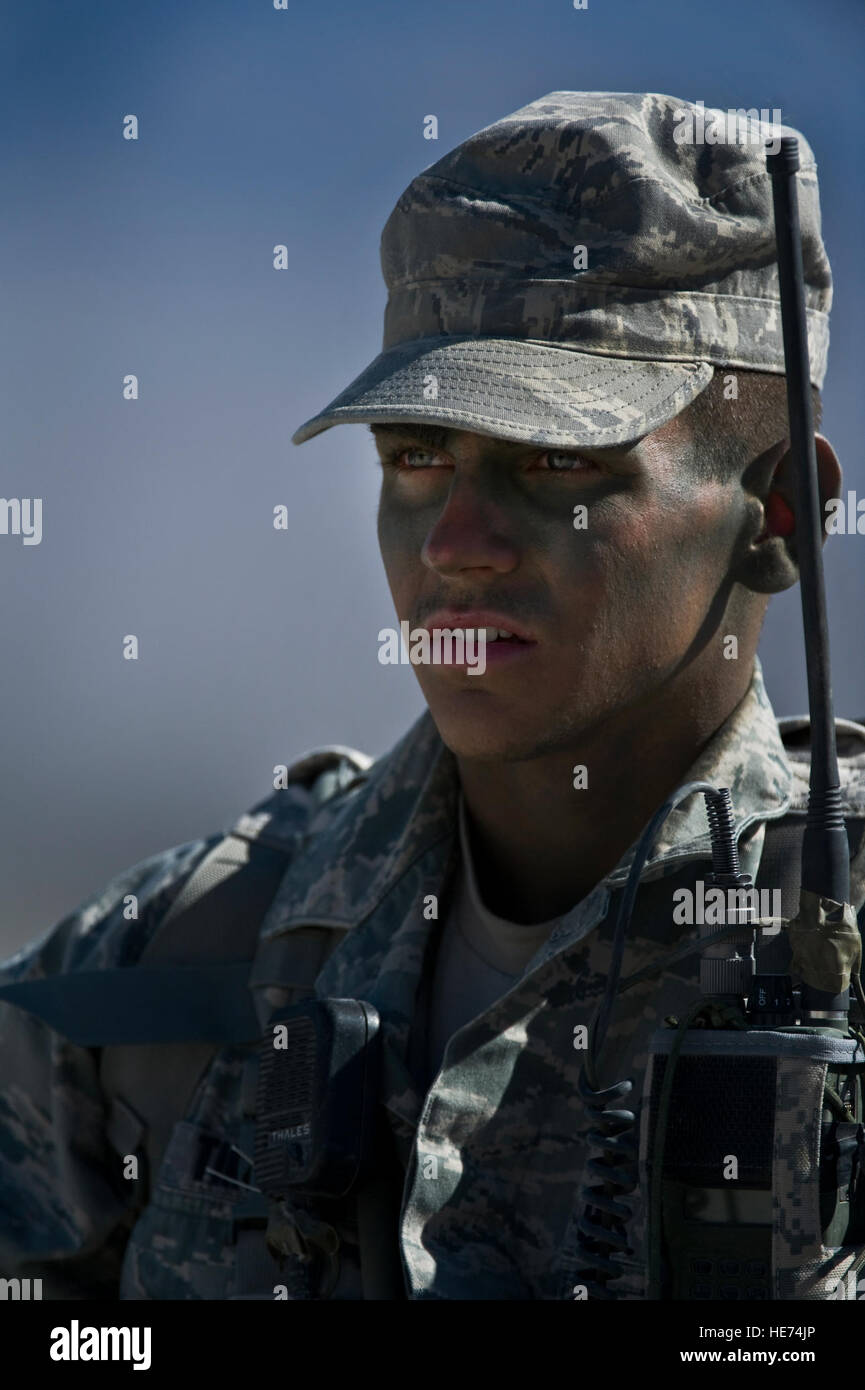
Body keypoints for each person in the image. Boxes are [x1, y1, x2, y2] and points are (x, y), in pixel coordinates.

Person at [1, 90, 863, 1301]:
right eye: (414, 457)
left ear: (778, 515)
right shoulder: (178, 960)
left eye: (555, 460)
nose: (454, 542)